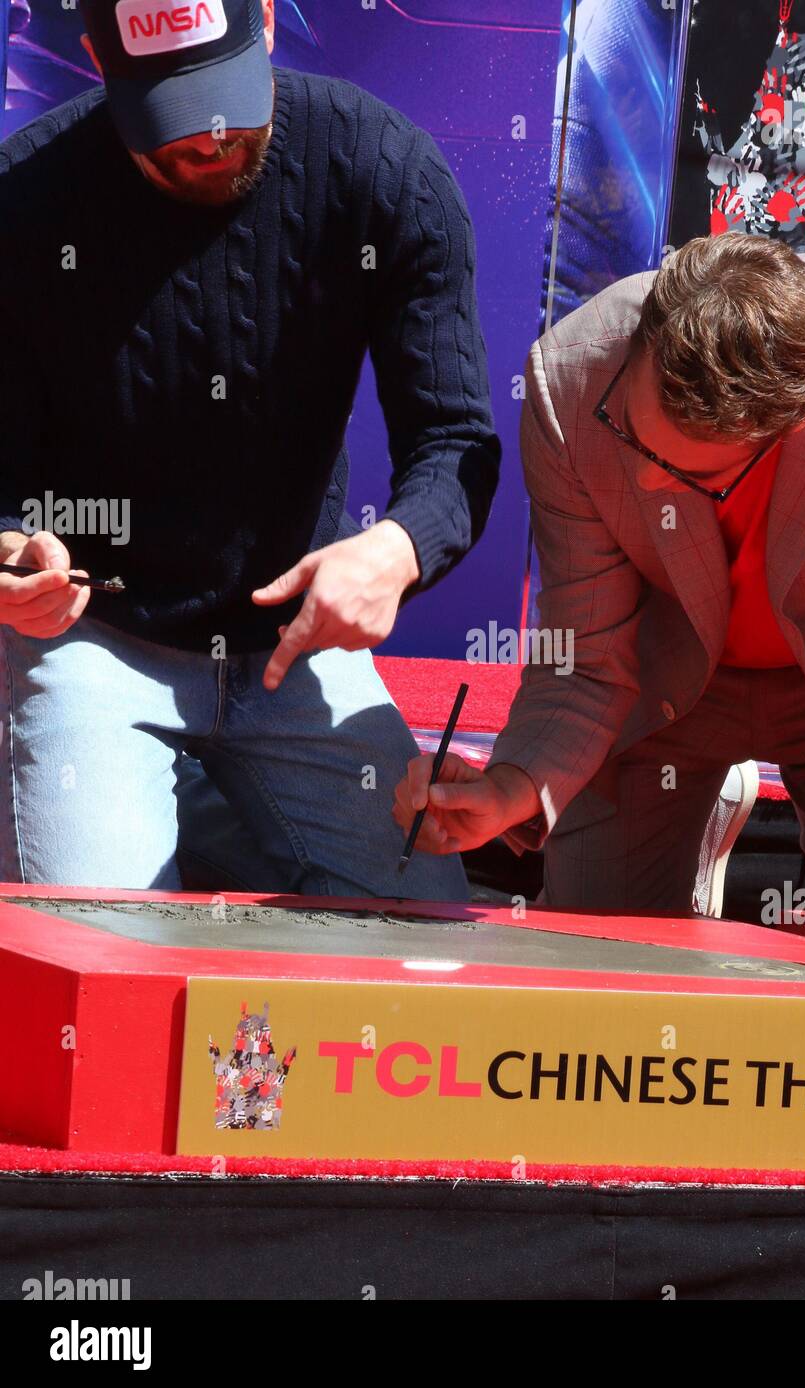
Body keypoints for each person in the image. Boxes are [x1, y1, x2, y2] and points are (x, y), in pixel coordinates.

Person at [395, 232, 805, 968]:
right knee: (591, 966)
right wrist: (509, 787)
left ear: (803, 417)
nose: (646, 479)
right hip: (662, 684)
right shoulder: (569, 381)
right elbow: (584, 654)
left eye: (689, 475)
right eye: (629, 431)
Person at [0, 0, 499, 898]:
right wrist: (8, 553)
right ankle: (180, 797)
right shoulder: (21, 202)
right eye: (171, 115)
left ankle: (198, 803)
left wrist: (396, 548)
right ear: (93, 58)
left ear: (267, 19)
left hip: (294, 651)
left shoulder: (382, 168)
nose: (211, 140)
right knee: (95, 944)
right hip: (95, 640)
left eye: (227, 97)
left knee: (424, 942)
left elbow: (457, 440)